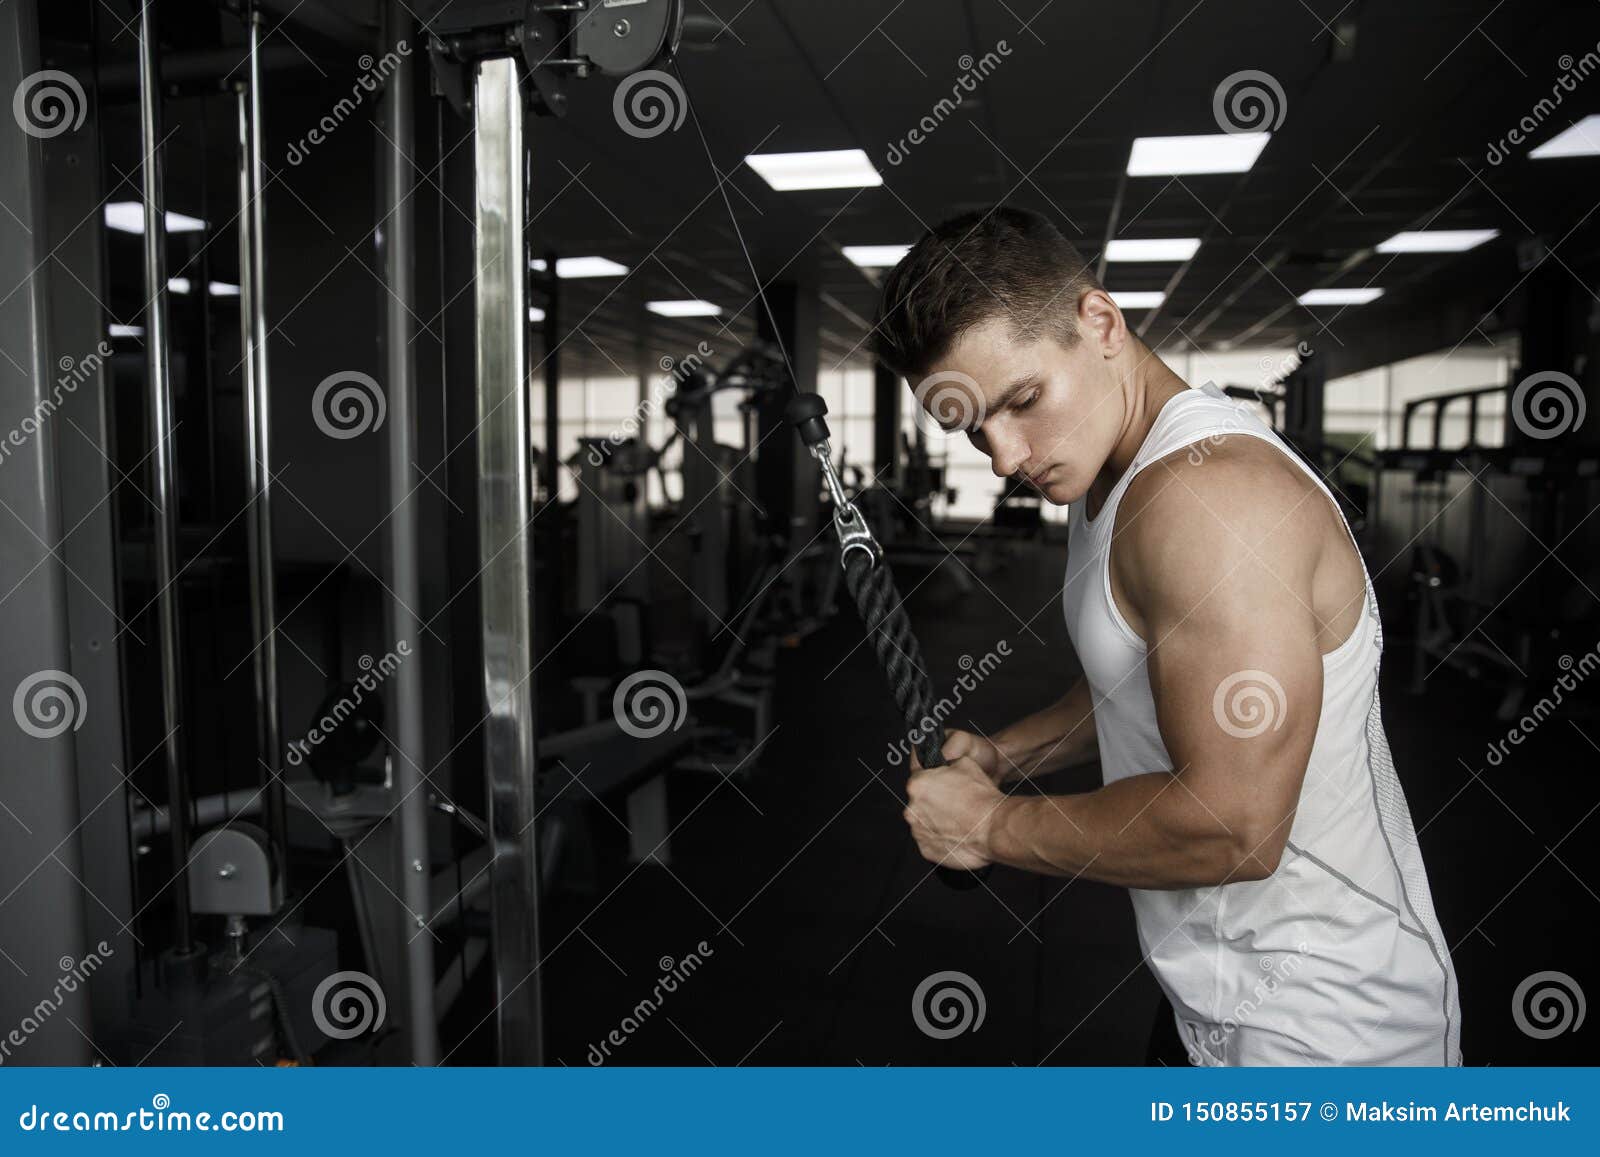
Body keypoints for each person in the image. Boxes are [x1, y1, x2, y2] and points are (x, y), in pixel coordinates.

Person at [874, 206, 1460, 1066]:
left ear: (1100, 323)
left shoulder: (1210, 502)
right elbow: (1141, 676)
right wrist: (1004, 756)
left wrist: (990, 827)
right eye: (972, 427)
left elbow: (1233, 828)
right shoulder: (1104, 470)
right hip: (1213, 1002)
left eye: (1024, 400)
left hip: (1333, 1037)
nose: (1003, 455)